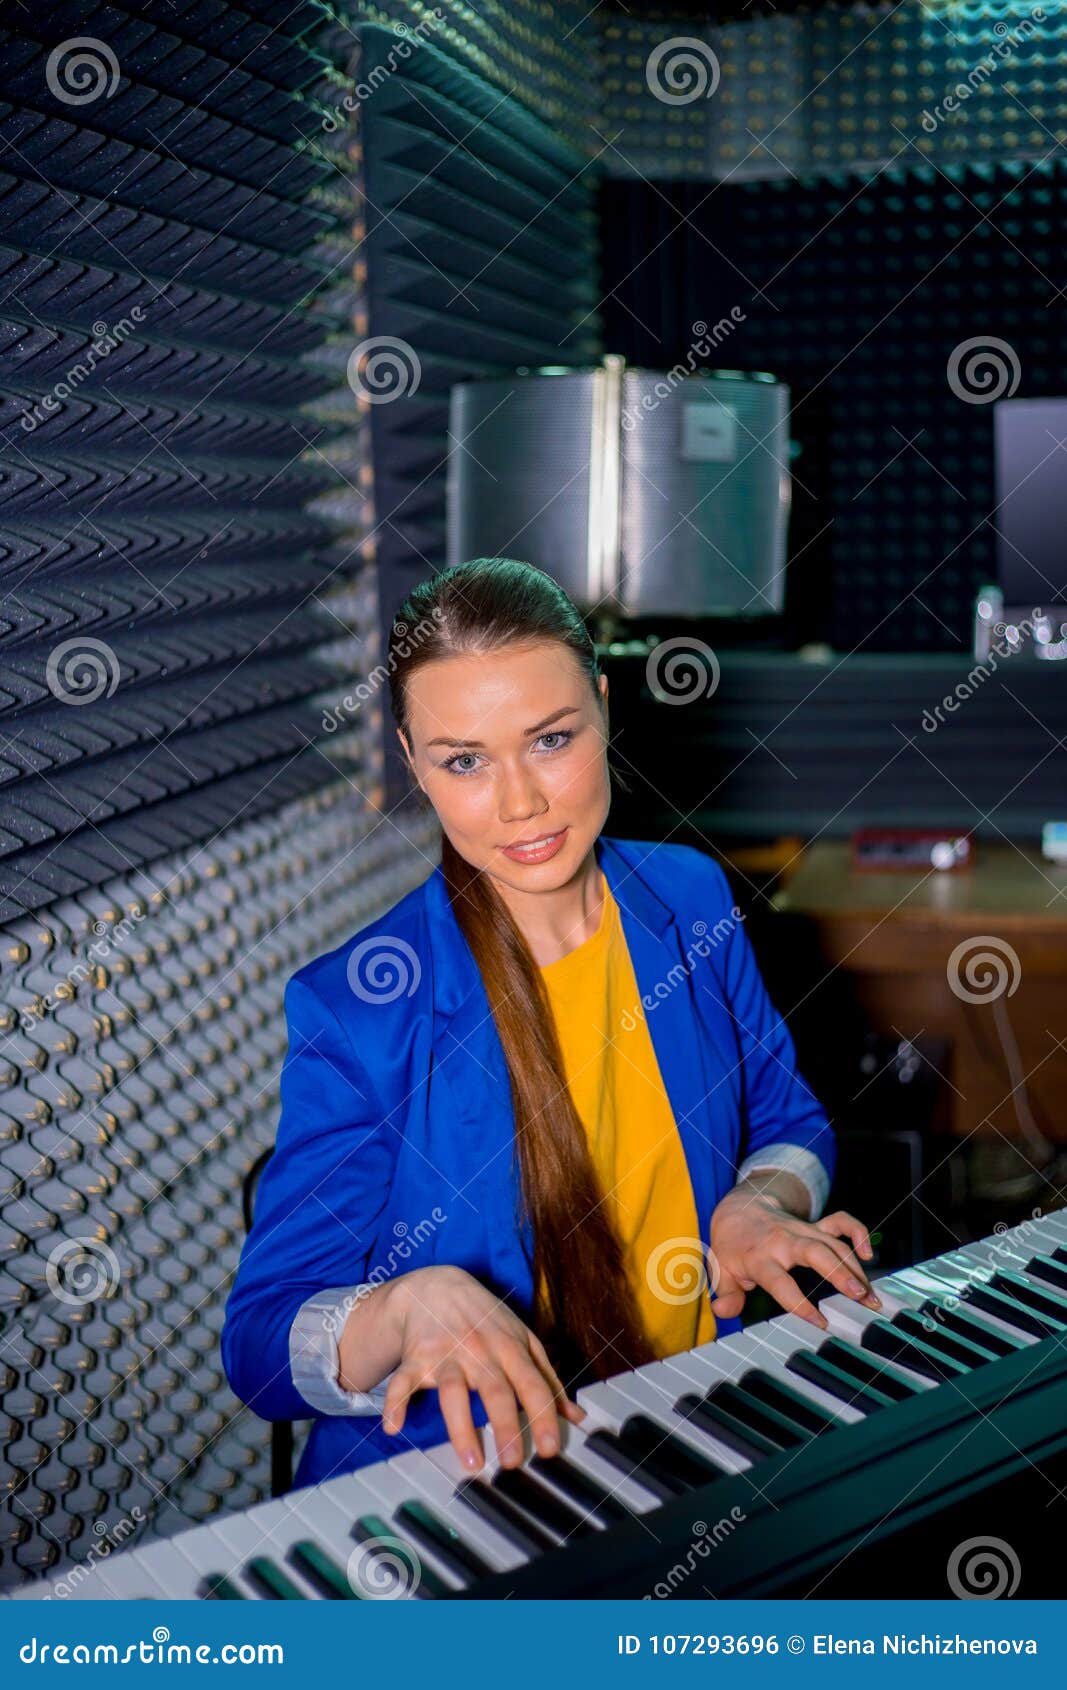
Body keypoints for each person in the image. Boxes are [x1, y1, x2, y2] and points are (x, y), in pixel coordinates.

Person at [222, 557, 880, 1491]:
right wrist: (405, 1308)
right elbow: (256, 1347)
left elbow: (789, 1121)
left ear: (604, 709)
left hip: (693, 1428)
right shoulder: (359, 1005)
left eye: (549, 739)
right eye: (463, 760)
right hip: (462, 1492)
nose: (520, 802)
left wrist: (760, 1202)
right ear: (412, 762)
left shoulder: (689, 897)